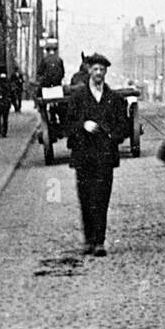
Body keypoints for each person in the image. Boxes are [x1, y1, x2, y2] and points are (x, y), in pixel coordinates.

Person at [64, 53, 128, 255]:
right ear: (89, 71)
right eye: (95, 69)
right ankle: (88, 240)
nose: (98, 73)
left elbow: (123, 127)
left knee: (102, 198)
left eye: (102, 69)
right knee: (85, 197)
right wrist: (83, 125)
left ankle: (99, 241)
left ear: (106, 72)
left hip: (105, 156)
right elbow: (67, 125)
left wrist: (110, 134)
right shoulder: (77, 98)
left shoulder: (114, 99)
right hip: (83, 155)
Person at [35, 38, 66, 140]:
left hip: (46, 90)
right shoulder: (59, 60)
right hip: (57, 88)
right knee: (61, 106)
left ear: (47, 50)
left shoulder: (44, 60)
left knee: (41, 104)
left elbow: (39, 73)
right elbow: (62, 74)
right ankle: (61, 120)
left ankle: (45, 119)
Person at [0, 67, 15, 138]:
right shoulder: (8, 81)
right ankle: (4, 133)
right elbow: (11, 92)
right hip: (5, 102)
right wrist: (12, 102)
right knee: (5, 118)